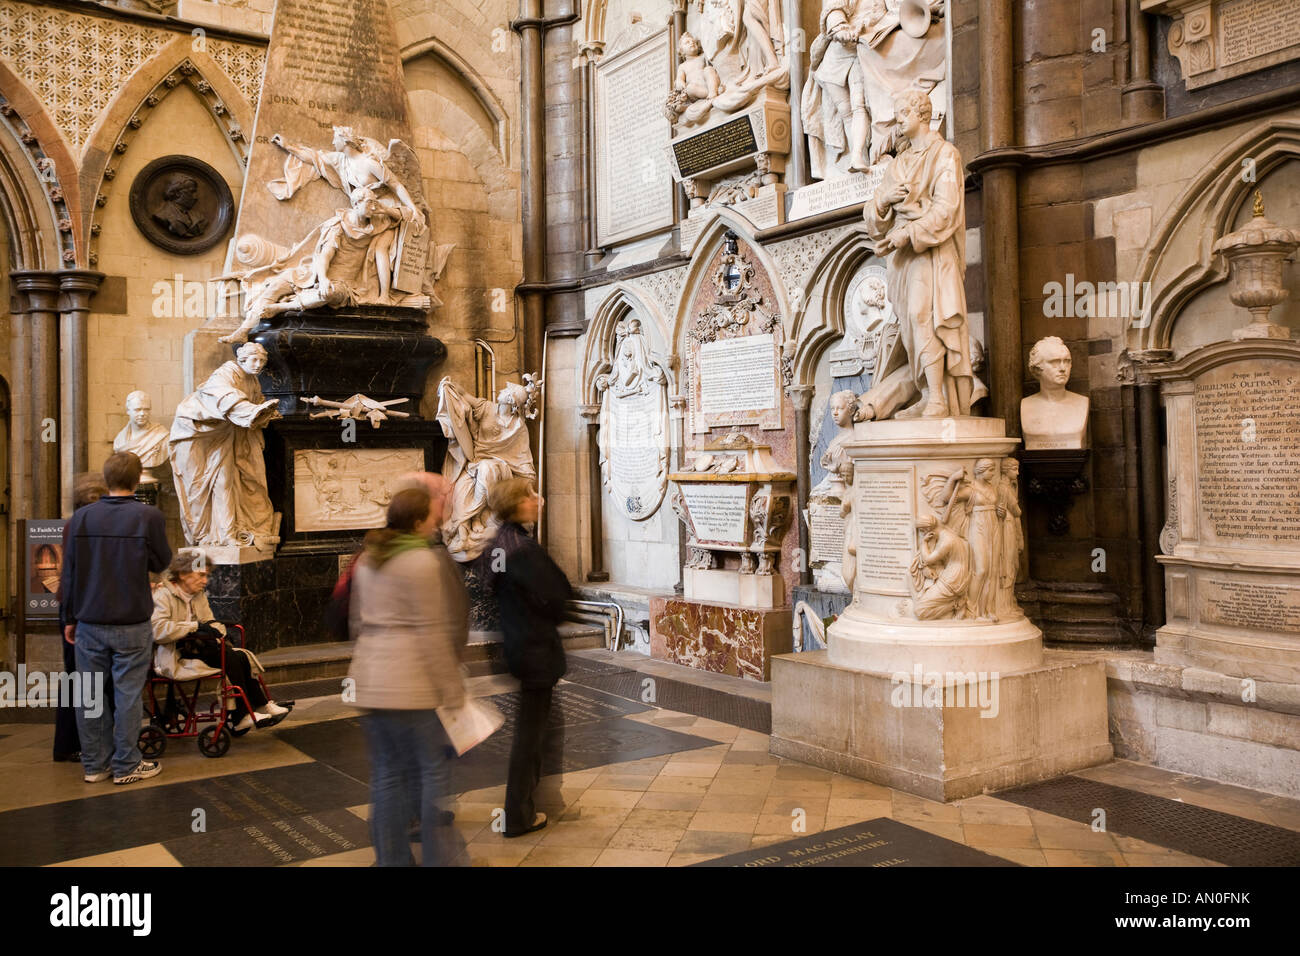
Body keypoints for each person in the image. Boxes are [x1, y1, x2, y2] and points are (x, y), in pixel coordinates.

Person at [348, 481, 468, 866]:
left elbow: (355, 623)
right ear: (418, 521)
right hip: (411, 684)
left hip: (370, 678)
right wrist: (452, 690)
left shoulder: (368, 557)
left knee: (386, 775)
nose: (436, 523)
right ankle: (438, 859)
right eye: (432, 517)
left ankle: (392, 860)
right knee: (432, 773)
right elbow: (432, 630)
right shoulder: (422, 561)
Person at [61, 452, 171, 785]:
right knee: (127, 695)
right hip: (131, 621)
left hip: (89, 622)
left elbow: (70, 573)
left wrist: (69, 617)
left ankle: (95, 765)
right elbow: (161, 561)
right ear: (138, 480)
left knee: (91, 694)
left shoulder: (81, 519)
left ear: (106, 480)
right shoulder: (148, 516)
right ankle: (126, 765)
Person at [487, 477, 573, 838]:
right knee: (531, 734)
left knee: (540, 728)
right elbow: (557, 597)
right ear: (517, 504)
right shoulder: (523, 549)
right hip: (534, 650)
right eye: (530, 494)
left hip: (519, 646)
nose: (538, 499)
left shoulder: (500, 544)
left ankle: (535, 801)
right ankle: (518, 814)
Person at [151, 552, 292, 734]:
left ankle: (261, 705)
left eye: (207, 575)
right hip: (174, 651)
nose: (205, 581)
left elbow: (210, 621)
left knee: (240, 656)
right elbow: (157, 630)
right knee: (230, 657)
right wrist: (193, 626)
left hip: (198, 646)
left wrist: (219, 633)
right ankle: (243, 715)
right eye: (201, 575)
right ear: (184, 574)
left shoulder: (197, 595)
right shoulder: (163, 595)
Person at [168, 342, 280, 548]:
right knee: (198, 490)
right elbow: (224, 396)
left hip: (222, 437)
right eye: (254, 360)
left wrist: (264, 414)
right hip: (196, 435)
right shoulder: (226, 373)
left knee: (224, 482)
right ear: (242, 359)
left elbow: (254, 407)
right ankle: (204, 537)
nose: (258, 365)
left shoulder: (252, 380)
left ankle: (227, 535)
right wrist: (251, 412)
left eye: (262, 361)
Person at [53, 473, 112, 763]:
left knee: (78, 677)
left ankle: (74, 742)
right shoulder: (82, 527)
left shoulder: (75, 525)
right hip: (77, 610)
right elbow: (76, 576)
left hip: (74, 608)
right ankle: (73, 743)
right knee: (80, 679)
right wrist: (71, 618)